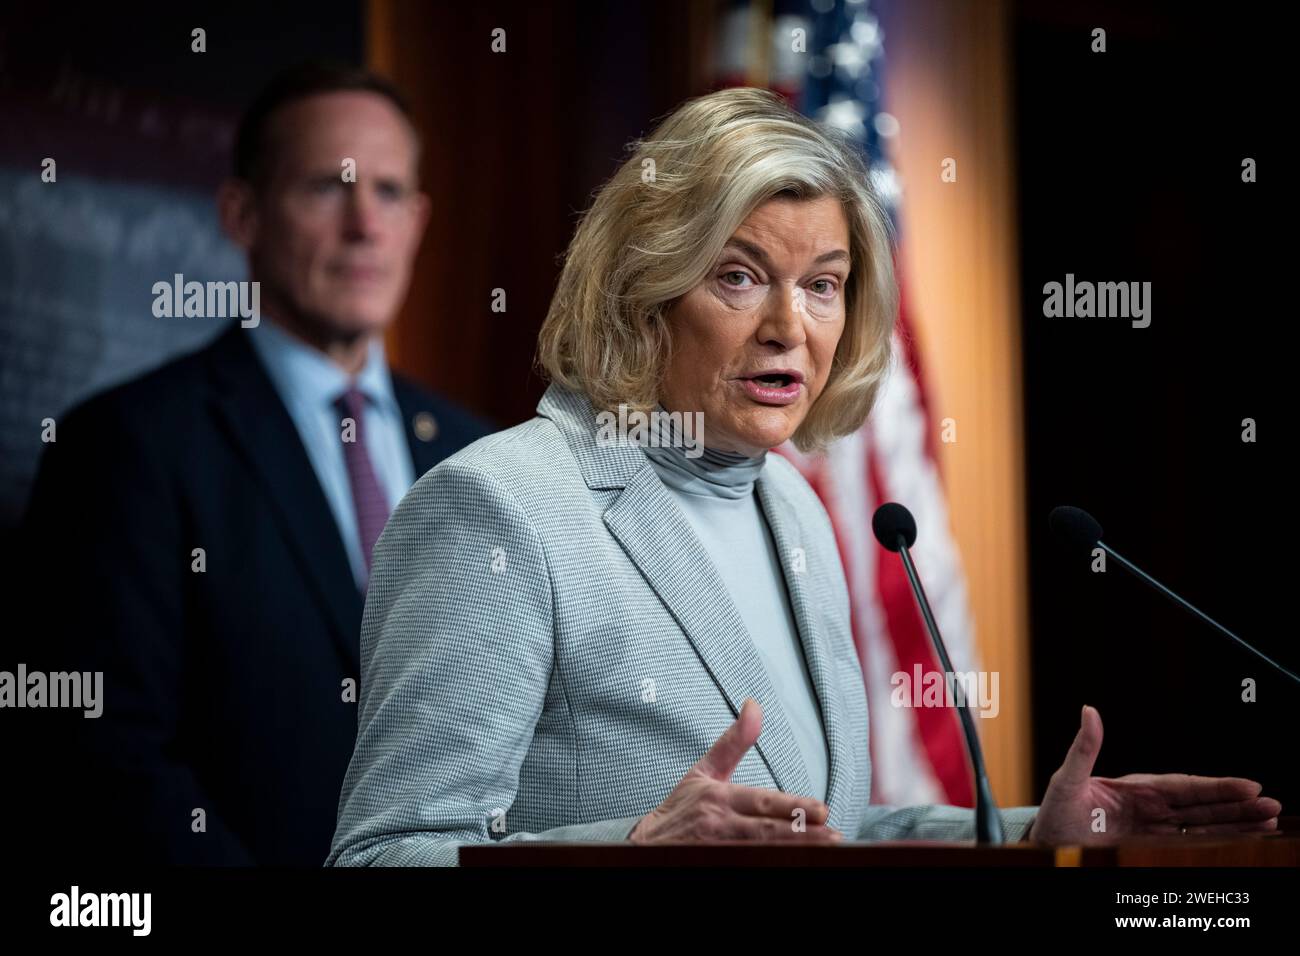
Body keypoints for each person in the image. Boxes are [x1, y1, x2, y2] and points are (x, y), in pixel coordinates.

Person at [325, 88, 1280, 866]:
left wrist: (1028, 831)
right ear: (645, 290)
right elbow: (382, 857)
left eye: (822, 284)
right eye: (738, 276)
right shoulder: (501, 508)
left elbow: (819, 829)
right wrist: (635, 846)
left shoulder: (793, 507)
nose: (792, 325)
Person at [20, 61, 490, 866]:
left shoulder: (475, 454)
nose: (364, 227)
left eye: (387, 193)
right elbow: (104, 754)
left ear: (417, 220)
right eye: (325, 188)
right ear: (242, 213)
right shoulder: (129, 444)